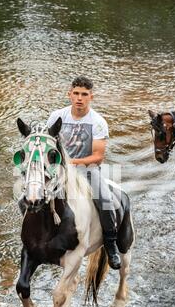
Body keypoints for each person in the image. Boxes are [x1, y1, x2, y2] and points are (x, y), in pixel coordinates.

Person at [47, 76, 121, 269]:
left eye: (84, 94)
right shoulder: (56, 116)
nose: (80, 98)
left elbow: (97, 157)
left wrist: (71, 162)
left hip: (86, 171)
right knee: (29, 194)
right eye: (76, 93)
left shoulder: (97, 122)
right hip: (59, 171)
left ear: (91, 97)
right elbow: (48, 145)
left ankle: (111, 244)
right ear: (69, 94)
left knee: (106, 201)